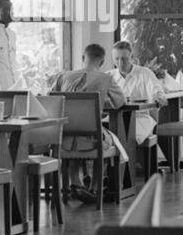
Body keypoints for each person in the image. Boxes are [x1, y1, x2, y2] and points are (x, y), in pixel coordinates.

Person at [51, 44, 127, 203]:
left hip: (62, 139)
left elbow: (51, 101)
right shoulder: (106, 79)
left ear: (82, 58)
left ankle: (75, 182)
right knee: (110, 138)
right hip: (92, 140)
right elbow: (120, 102)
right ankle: (95, 187)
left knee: (76, 132)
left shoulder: (62, 77)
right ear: (102, 62)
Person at [108, 40, 167, 150]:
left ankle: (130, 165)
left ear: (132, 57)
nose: (120, 63)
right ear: (112, 58)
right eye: (117, 59)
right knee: (105, 133)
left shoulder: (145, 73)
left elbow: (157, 90)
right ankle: (115, 166)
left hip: (141, 118)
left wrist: (159, 96)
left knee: (125, 134)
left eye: (124, 59)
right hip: (113, 119)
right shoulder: (108, 76)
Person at [0, 0, 23, 93]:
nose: (11, 13)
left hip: (14, 85)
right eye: (7, 10)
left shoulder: (12, 34)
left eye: (12, 10)